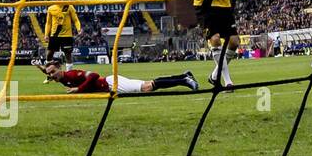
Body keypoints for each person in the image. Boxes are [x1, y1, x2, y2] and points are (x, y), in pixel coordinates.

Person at [39, 60, 198, 94]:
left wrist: (78, 89)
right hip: (110, 86)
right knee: (148, 84)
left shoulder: (71, 74)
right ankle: (184, 76)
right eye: (49, 74)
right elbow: (49, 72)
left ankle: (184, 81)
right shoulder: (62, 78)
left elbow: (94, 75)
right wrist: (42, 68)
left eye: (53, 72)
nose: (51, 75)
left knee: (147, 87)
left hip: (111, 84)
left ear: (60, 68)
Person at [44, 0, 81, 70]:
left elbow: (75, 19)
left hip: (67, 35)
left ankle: (69, 75)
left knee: (68, 54)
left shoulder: (69, 6)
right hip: (55, 35)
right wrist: (46, 35)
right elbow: (48, 23)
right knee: (49, 53)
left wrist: (78, 29)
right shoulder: (51, 8)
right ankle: (49, 73)